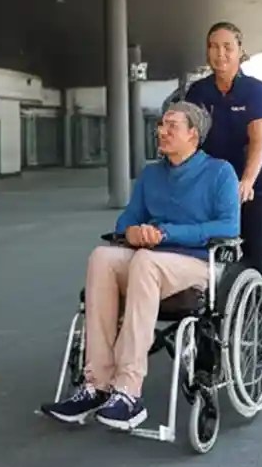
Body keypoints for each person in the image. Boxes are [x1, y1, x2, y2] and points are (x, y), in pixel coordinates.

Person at [40, 101, 239, 430]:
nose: (162, 131)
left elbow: (229, 228)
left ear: (194, 134)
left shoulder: (219, 172)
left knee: (146, 261)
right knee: (102, 256)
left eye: (172, 125)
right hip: (150, 258)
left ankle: (129, 391)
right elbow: (127, 220)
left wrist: (166, 233)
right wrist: (131, 231)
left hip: (195, 263)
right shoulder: (151, 174)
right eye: (161, 124)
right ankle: (96, 384)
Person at [182, 21, 262, 279]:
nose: (219, 53)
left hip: (249, 185)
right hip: (210, 184)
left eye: (227, 47)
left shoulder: (256, 90)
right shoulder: (198, 91)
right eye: (213, 46)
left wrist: (246, 180)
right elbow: (187, 139)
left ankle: (253, 313)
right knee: (206, 254)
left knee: (251, 260)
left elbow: (258, 140)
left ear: (239, 51)